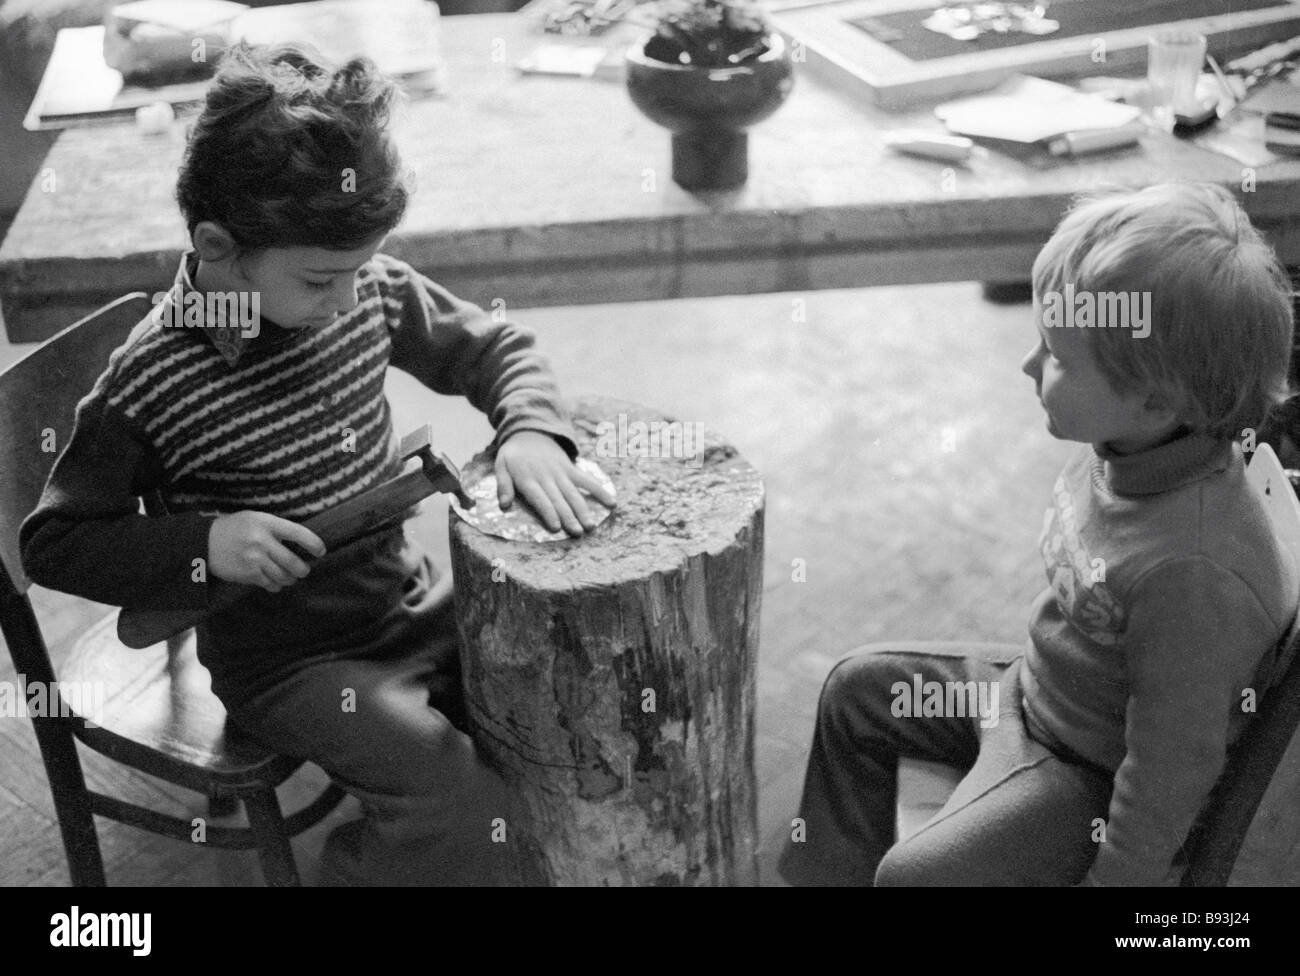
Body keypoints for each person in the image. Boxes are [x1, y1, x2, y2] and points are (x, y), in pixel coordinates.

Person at [20, 41, 615, 886]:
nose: (347, 301)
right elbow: (56, 545)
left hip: (409, 602)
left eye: (357, 272)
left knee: (559, 692)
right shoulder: (147, 382)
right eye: (319, 281)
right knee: (455, 797)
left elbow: (498, 349)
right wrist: (205, 542)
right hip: (292, 665)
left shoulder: (360, 285)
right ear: (219, 248)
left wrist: (529, 431)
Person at [778, 182, 1299, 886]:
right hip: (1033, 691)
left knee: (915, 877)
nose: (1028, 367)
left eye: (1055, 355)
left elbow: (1169, 776)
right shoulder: (1133, 444)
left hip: (1081, 769)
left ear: (1155, 396)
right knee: (857, 691)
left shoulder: (1195, 569)